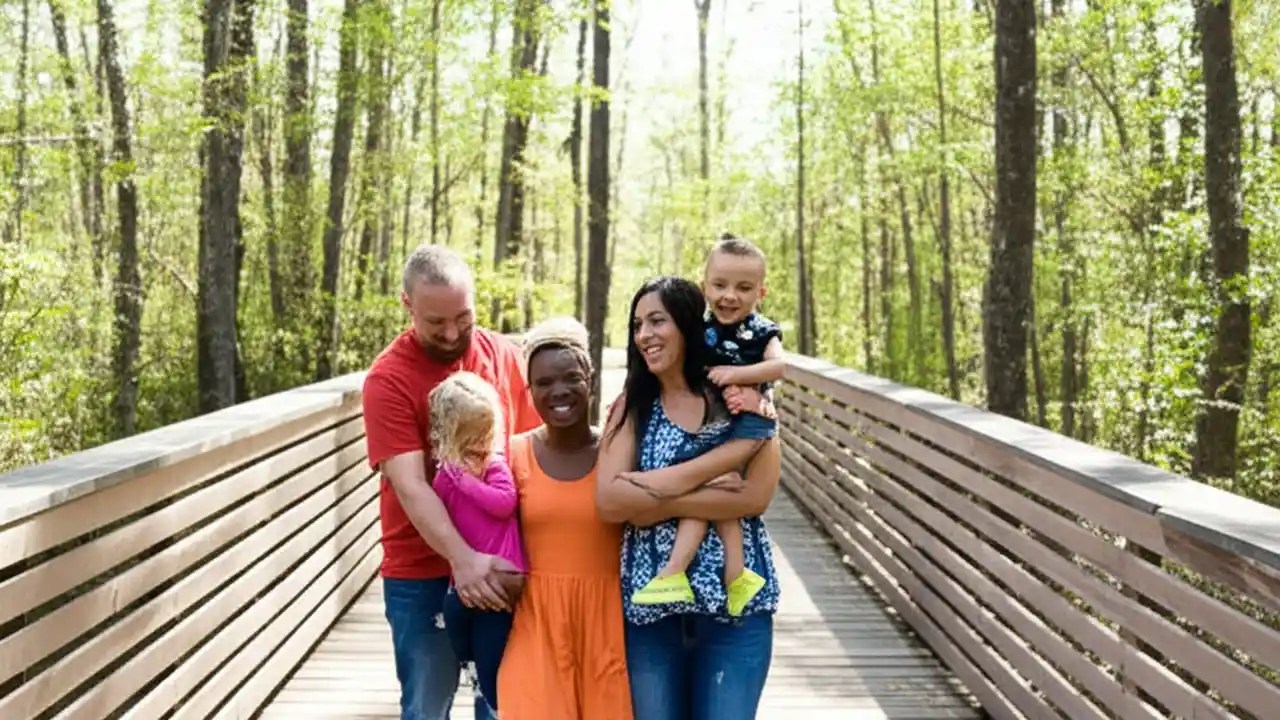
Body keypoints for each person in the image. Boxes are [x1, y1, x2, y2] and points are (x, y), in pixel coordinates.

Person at [361, 243, 540, 720]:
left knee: (501, 705)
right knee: (426, 707)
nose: (452, 332)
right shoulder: (389, 379)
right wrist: (462, 561)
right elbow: (411, 485)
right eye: (436, 322)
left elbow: (531, 453)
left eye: (463, 317)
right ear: (407, 305)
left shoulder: (503, 354)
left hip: (501, 563)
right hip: (422, 570)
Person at [596, 276, 783, 719]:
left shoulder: (738, 395)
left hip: (736, 606)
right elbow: (608, 501)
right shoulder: (633, 405)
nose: (645, 335)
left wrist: (657, 493)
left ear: (686, 323)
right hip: (652, 610)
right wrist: (704, 485)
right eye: (637, 324)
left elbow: (755, 497)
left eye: (657, 321)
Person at [630, 234, 784, 616]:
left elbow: (780, 367)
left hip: (748, 423)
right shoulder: (703, 329)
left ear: (760, 292)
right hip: (721, 424)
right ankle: (734, 575)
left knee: (712, 486)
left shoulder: (762, 330)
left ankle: (675, 572)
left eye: (744, 288)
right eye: (720, 285)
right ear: (705, 288)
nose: (730, 295)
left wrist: (750, 388)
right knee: (716, 492)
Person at [497, 317, 633, 719]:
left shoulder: (618, 451)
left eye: (571, 377)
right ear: (530, 390)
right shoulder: (511, 453)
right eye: (543, 382)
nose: (559, 391)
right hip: (535, 624)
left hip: (608, 626)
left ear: (589, 378)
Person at [429, 371, 527, 715]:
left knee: (492, 642)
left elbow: (504, 503)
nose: (479, 442)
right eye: (471, 435)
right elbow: (439, 510)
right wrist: (450, 479)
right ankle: (469, 667)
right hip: (467, 574)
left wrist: (465, 481)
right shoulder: (447, 473)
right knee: (454, 614)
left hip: (501, 575)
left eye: (485, 433)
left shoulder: (493, 464)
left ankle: (495, 699)